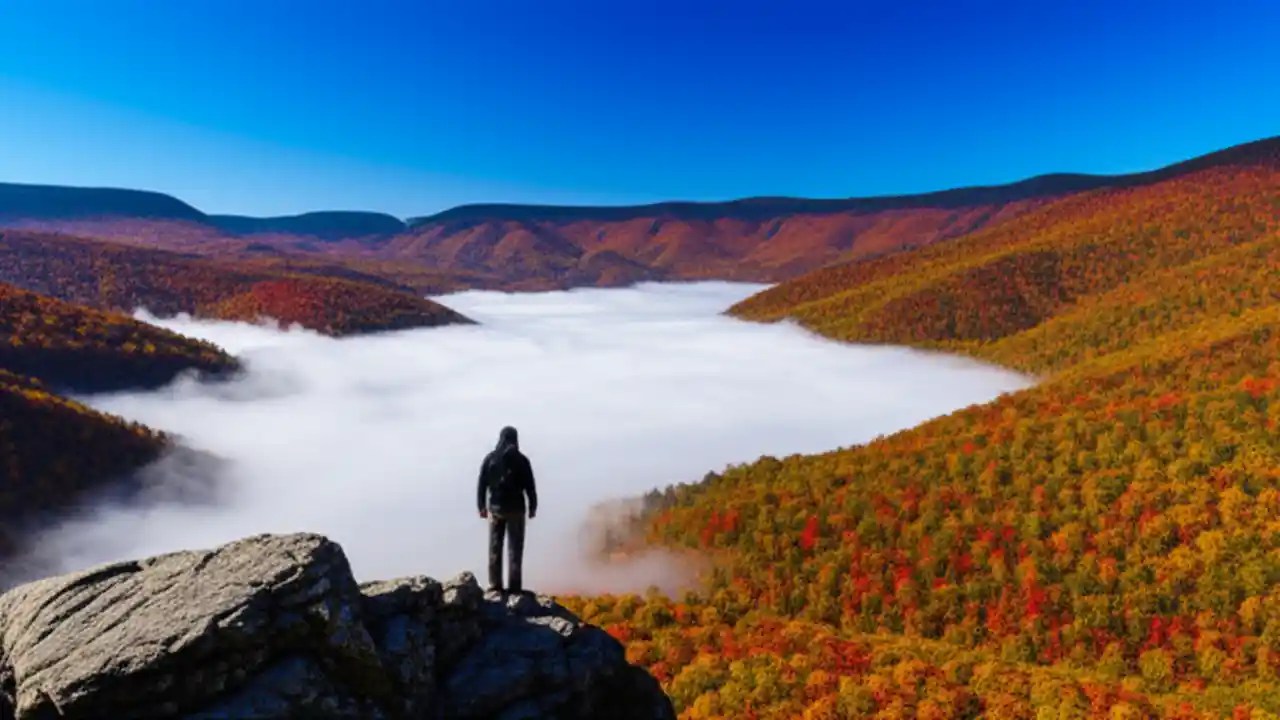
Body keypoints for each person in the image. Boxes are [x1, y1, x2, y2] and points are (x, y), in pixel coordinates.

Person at [477, 426, 538, 593]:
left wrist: (481, 507)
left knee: (495, 547)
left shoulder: (490, 459)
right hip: (517, 509)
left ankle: (495, 585)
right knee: (515, 548)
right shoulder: (522, 460)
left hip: (496, 508)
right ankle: (514, 586)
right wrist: (533, 506)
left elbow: (482, 484)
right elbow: (530, 486)